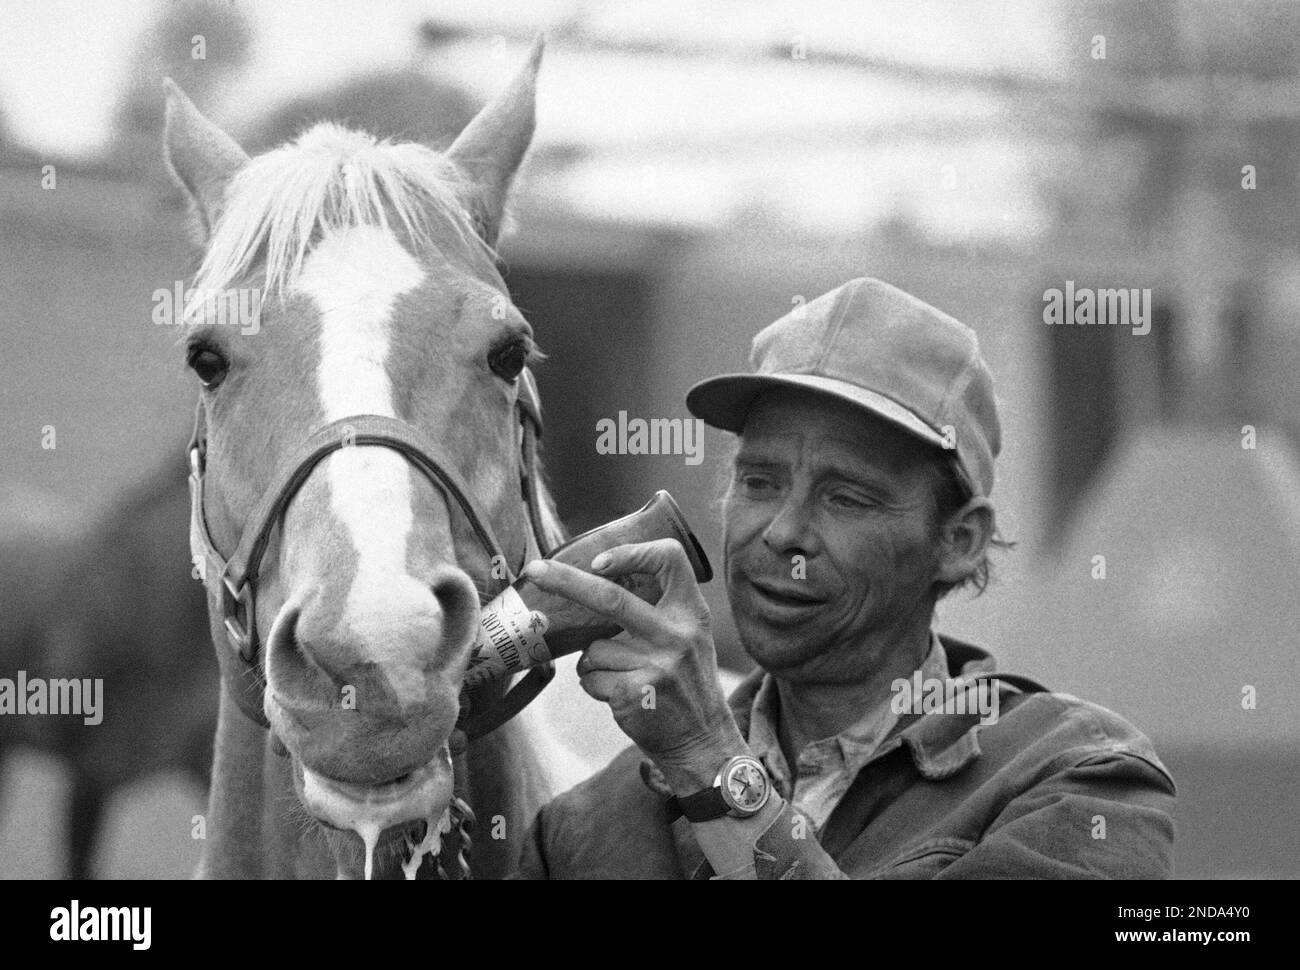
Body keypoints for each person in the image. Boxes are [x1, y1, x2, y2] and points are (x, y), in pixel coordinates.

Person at [514, 278, 1175, 879]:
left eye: (846, 497)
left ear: (958, 541)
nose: (782, 532)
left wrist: (710, 763)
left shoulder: (1073, 780)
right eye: (758, 482)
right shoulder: (585, 829)